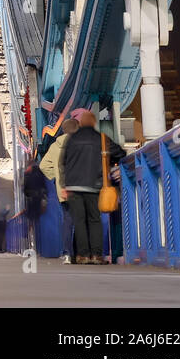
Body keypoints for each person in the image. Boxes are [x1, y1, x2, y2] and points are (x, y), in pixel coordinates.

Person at [58, 110, 125, 264]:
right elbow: (120, 153)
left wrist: (65, 184)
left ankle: (82, 255)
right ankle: (96, 255)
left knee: (79, 221)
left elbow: (63, 162)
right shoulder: (101, 138)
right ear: (94, 122)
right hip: (93, 186)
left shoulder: (72, 140)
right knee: (94, 220)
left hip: (74, 187)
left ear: (80, 123)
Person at [39, 118, 80, 263]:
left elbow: (43, 165)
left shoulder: (55, 146)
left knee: (67, 221)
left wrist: (55, 177)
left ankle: (68, 253)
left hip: (63, 189)